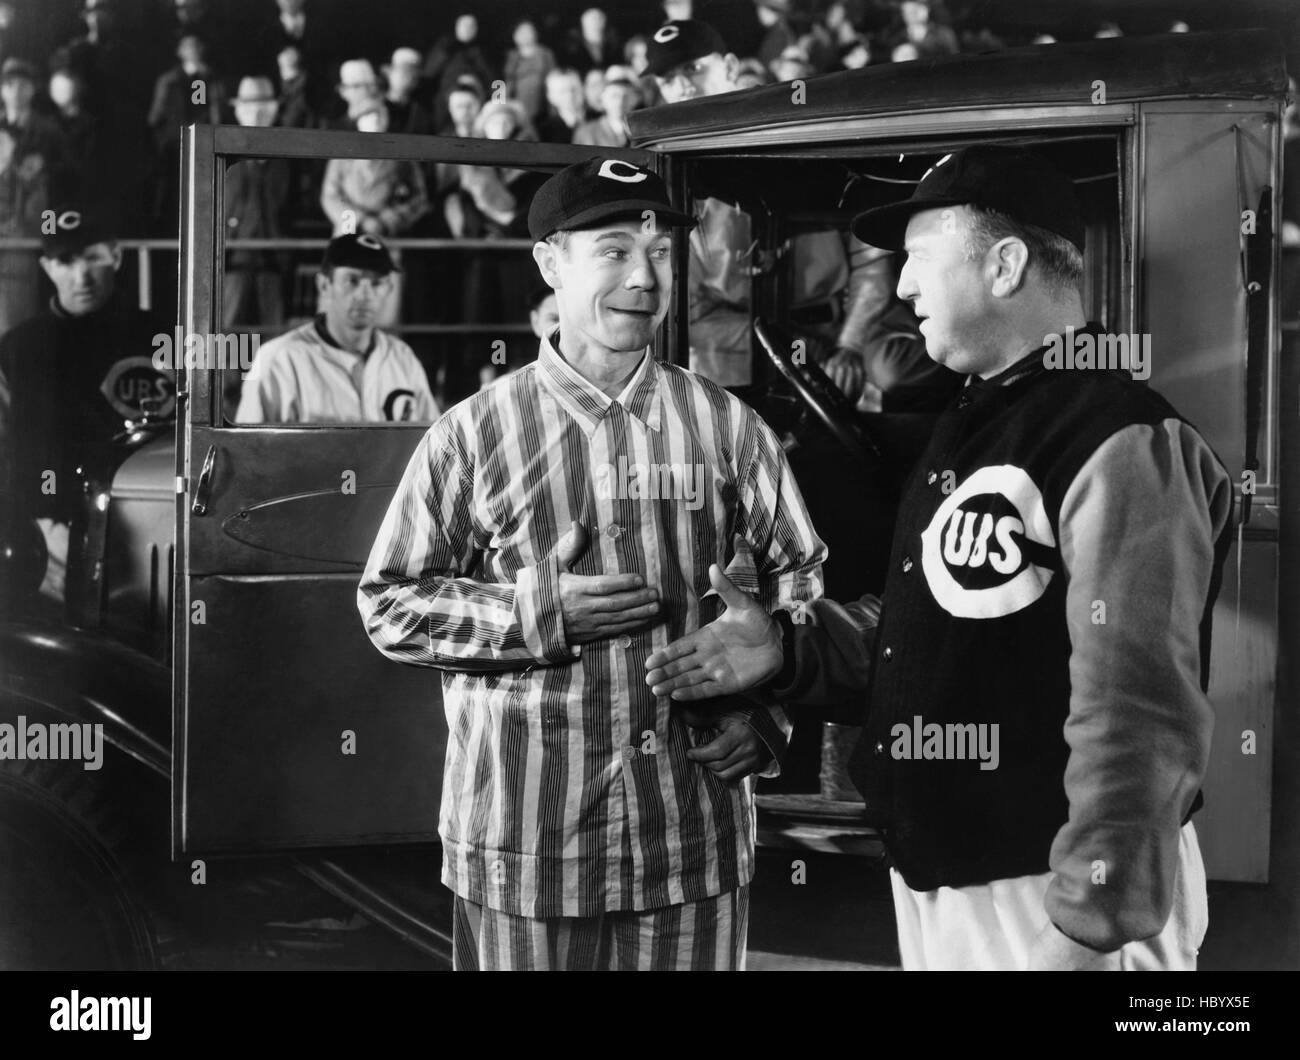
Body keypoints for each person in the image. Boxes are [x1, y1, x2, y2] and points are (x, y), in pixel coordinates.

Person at [644, 145, 1234, 972]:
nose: (906, 287)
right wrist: (790, 649)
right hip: (952, 874)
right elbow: (939, 624)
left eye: (920, 259)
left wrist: (1091, 917)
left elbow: (1137, 710)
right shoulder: (981, 413)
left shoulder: (1120, 436)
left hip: (1049, 895)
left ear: (1004, 265)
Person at [357, 157, 826, 971]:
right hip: (526, 852)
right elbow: (389, 603)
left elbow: (803, 583)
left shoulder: (727, 427)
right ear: (550, 263)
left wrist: (770, 718)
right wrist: (531, 614)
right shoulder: (471, 436)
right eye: (613, 250)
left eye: (660, 253)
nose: (644, 278)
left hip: (689, 839)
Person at [0, 209, 171, 604]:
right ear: (46, 267)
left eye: (93, 257)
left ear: (115, 255)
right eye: (66, 261)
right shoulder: (18, 348)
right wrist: (27, 534)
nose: (82, 275)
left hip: (155, 526)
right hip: (52, 535)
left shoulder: (161, 333)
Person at [234, 233, 437, 424]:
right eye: (352, 280)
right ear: (324, 284)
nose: (365, 295)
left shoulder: (401, 358)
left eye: (377, 283)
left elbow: (435, 442)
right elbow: (248, 451)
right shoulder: (279, 359)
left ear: (389, 289)